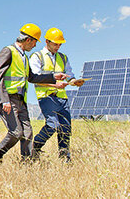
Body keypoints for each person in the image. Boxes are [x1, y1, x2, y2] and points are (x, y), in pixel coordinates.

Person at [0, 23, 69, 162]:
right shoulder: (8, 51)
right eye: (34, 43)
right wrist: (5, 100)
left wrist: (54, 77)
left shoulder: (24, 57)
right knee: (16, 132)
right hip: (7, 98)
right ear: (28, 40)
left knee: (27, 133)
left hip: (20, 99)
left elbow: (32, 78)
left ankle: (27, 163)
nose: (34, 46)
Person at [29, 27, 84, 162]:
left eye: (60, 44)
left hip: (62, 97)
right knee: (52, 124)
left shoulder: (63, 57)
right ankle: (35, 148)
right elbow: (35, 78)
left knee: (65, 127)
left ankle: (65, 157)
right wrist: (54, 84)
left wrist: (74, 81)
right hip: (46, 96)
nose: (58, 47)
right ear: (47, 42)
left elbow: (69, 75)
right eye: (55, 44)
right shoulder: (37, 57)